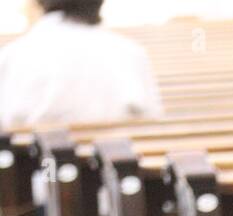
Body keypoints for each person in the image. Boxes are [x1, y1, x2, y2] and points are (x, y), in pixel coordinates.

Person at [0, 0, 163, 130]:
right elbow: (151, 119)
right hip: (117, 164)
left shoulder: (14, 55)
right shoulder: (130, 53)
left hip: (43, 167)